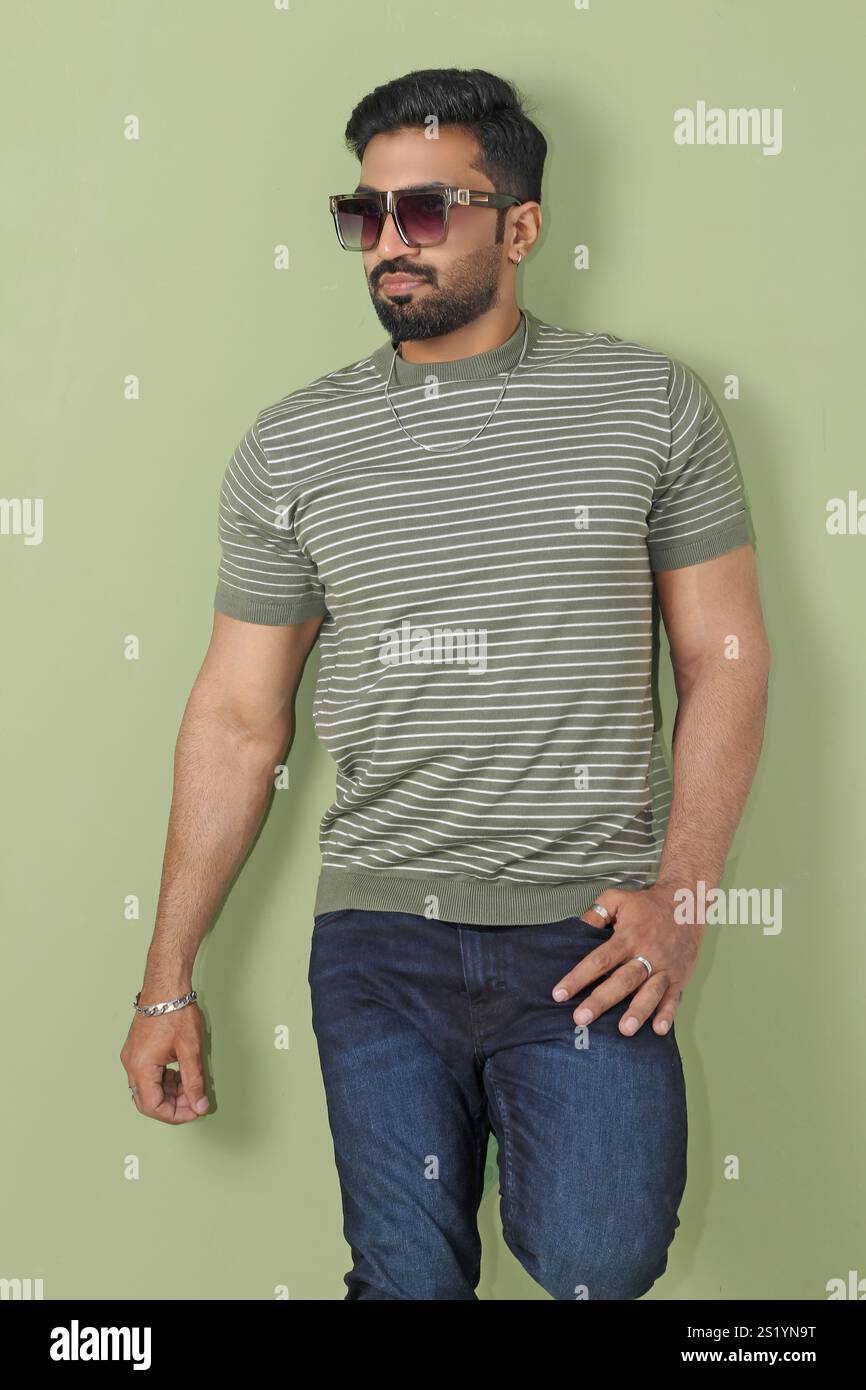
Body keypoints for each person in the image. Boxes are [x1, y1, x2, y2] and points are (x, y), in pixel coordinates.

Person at [120, 67, 771, 1300]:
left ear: (519, 226)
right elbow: (233, 716)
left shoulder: (649, 405)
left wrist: (681, 894)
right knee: (404, 1283)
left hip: (586, 932)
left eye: (426, 211)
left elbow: (721, 659)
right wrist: (168, 979)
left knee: (598, 1262)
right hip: (377, 940)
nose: (385, 246)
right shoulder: (292, 443)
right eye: (364, 215)